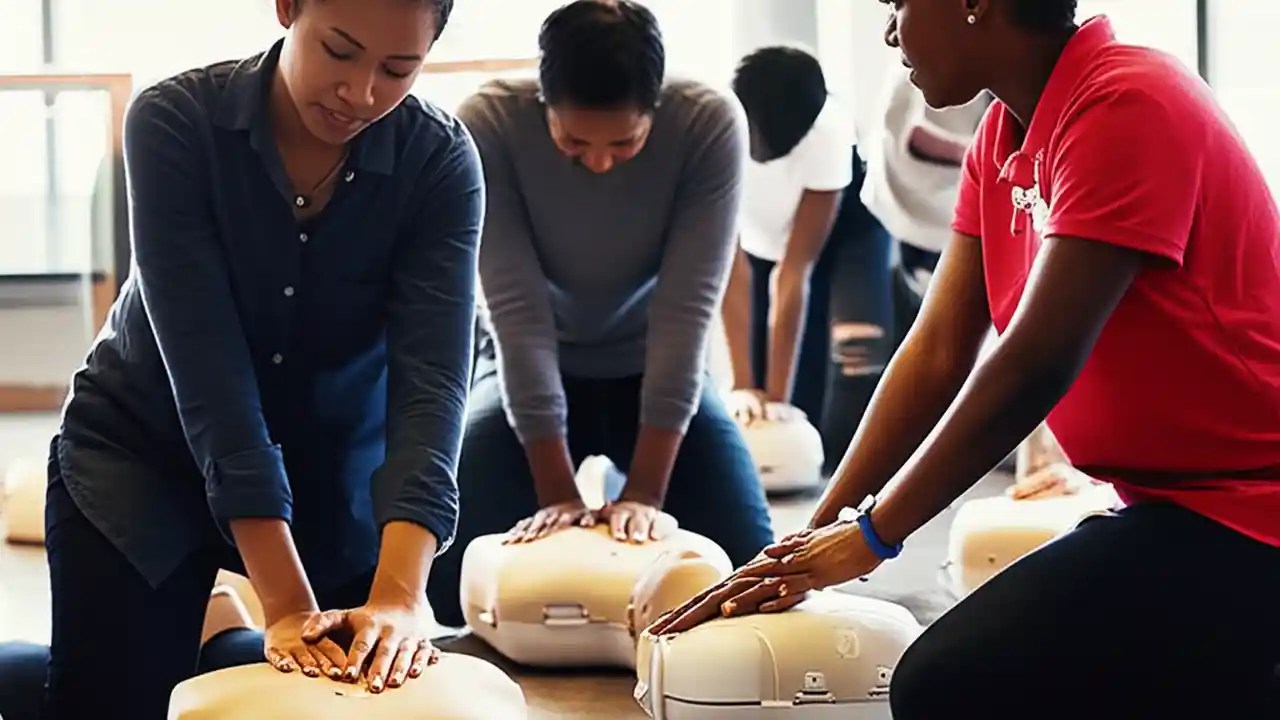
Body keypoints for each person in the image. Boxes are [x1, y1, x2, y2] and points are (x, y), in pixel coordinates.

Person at [651, 5, 1280, 718]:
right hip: (1167, 507)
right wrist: (804, 541)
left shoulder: (1129, 102)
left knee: (951, 685)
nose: (891, 33)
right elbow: (940, 348)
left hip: (1250, 514)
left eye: (898, 5)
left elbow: (1032, 365)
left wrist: (870, 535)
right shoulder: (1003, 136)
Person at [14, 0, 481, 716]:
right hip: (145, 456)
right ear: (288, 7)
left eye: (398, 69)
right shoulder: (174, 122)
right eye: (340, 51)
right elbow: (211, 381)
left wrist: (401, 597)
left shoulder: (441, 163)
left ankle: (216, 637)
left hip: (330, 474)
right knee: (113, 699)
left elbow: (433, 386)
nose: (361, 94)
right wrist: (287, 605)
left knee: (344, 693)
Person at [423, 0, 774, 628]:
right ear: (543, 103)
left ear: (656, 106)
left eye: (626, 142)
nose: (600, 162)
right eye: (574, 142)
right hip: (522, 367)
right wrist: (555, 495)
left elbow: (686, 311)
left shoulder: (708, 123)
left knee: (744, 569)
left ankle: (618, 490)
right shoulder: (490, 122)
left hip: (652, 365)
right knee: (450, 587)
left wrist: (645, 495)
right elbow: (516, 310)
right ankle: (587, 489)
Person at [719, 46, 894, 474]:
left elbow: (794, 273)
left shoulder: (828, 133)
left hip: (849, 233)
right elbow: (731, 268)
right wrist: (745, 385)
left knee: (857, 349)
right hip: (760, 242)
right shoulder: (716, 127)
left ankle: (850, 471)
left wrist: (779, 400)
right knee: (760, 390)